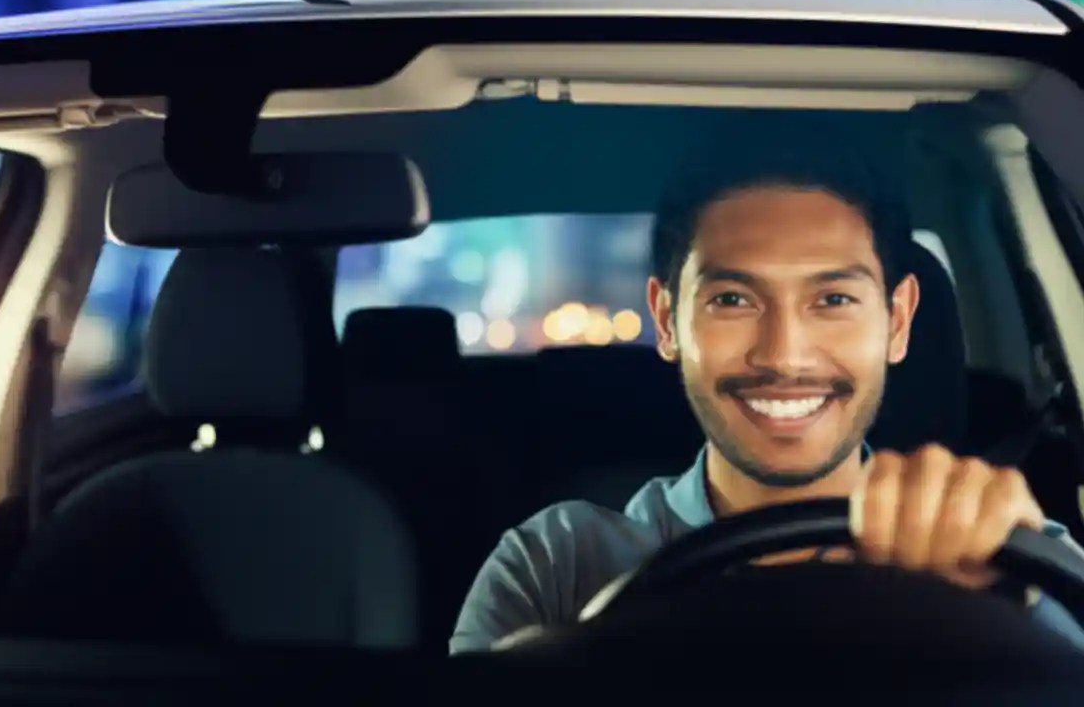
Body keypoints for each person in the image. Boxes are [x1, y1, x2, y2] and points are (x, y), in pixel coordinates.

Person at [448, 123, 1084, 655]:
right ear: (668, 320)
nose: (784, 356)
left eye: (832, 299)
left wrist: (1001, 607)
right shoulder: (556, 565)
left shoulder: (1015, 555)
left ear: (897, 321)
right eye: (732, 298)